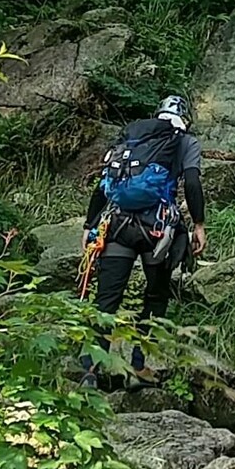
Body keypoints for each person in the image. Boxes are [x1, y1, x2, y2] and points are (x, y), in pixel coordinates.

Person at [80, 94, 206, 386]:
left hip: (118, 225)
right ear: (185, 118)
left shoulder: (132, 138)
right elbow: (193, 183)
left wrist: (90, 225)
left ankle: (90, 370)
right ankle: (138, 366)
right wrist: (198, 224)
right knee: (155, 296)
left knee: (106, 300)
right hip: (158, 229)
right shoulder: (185, 141)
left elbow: (104, 185)